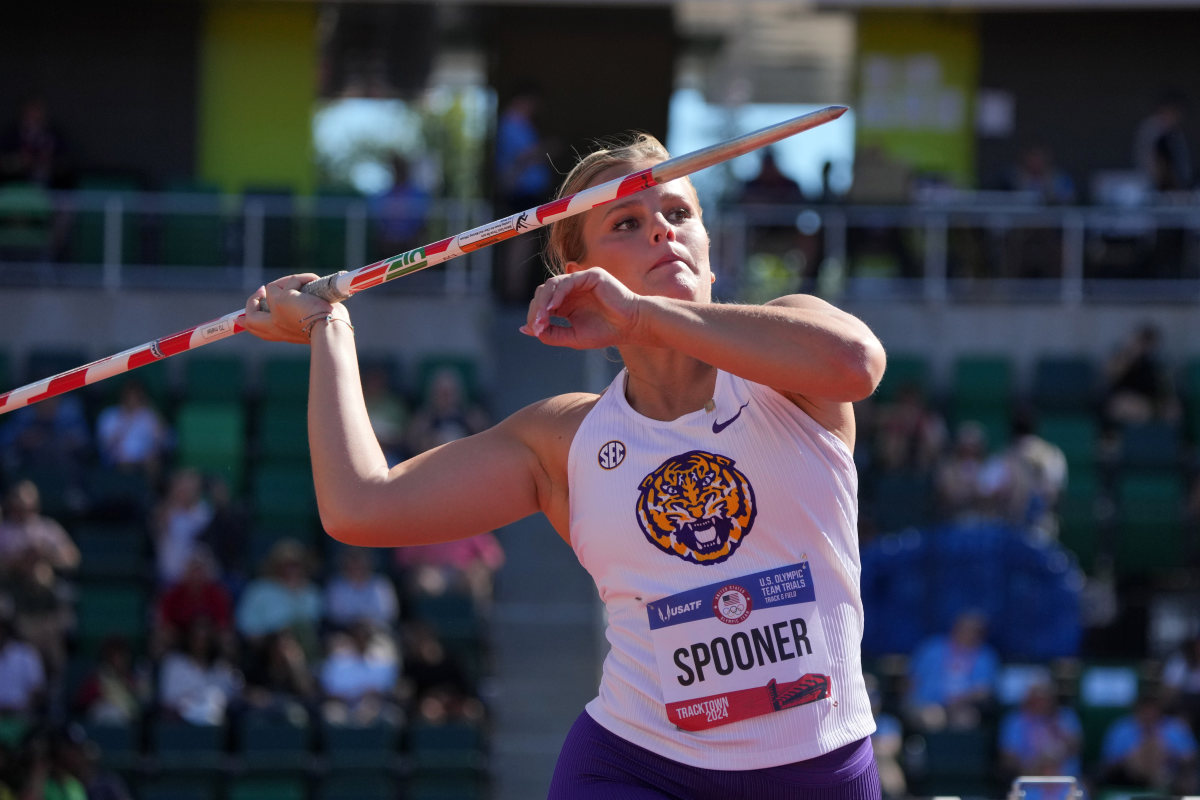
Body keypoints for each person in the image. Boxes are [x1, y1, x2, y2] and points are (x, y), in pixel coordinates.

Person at [243, 130, 886, 798]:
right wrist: (329, 331)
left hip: (818, 771)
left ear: (709, 247)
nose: (662, 232)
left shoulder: (791, 350)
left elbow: (856, 366)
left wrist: (643, 316)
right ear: (576, 272)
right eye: (627, 223)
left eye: (679, 213)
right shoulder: (564, 439)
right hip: (638, 768)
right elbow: (360, 506)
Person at [903, 610, 1000, 732]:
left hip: (963, 706)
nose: (968, 633)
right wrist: (913, 701)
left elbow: (983, 691)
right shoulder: (933, 648)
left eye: (975, 630)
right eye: (965, 628)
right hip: (926, 703)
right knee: (932, 717)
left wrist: (957, 702)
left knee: (966, 720)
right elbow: (912, 678)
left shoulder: (985, 656)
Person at [1099, 689, 1198, 795]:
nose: (1149, 712)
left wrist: (1170, 756)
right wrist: (1135, 758)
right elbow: (1108, 761)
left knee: (1188, 780)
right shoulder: (1121, 728)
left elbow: (1191, 757)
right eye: (1145, 708)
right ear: (1137, 709)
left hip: (1170, 777)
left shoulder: (1176, 728)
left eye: (1152, 708)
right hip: (1127, 777)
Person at [997, 678, 1083, 786]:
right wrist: (1037, 766)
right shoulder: (1015, 721)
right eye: (1037, 697)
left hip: (1066, 782)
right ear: (1028, 698)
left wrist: (1058, 739)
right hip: (1029, 781)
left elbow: (1076, 746)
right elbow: (1008, 759)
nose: (1042, 702)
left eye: (1046, 697)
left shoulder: (1066, 716)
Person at [1133, 91, 1194, 193]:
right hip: (1153, 187)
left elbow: (1181, 163)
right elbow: (1150, 160)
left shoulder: (1175, 133)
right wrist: (1161, 180)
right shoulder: (1153, 129)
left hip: (1175, 186)